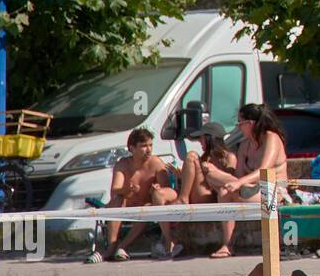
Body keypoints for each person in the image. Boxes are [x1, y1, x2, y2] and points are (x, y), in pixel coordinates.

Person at [200, 104, 288, 258]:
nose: (238, 128)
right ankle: (227, 245)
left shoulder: (271, 138)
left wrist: (238, 183)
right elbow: (239, 175)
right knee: (222, 189)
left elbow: (264, 171)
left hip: (272, 190)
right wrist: (236, 182)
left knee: (226, 189)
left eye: (240, 124)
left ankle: (228, 244)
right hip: (249, 188)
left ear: (251, 123)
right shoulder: (245, 145)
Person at [148, 121, 238, 258]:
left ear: (210, 138)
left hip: (214, 194)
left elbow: (229, 179)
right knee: (159, 194)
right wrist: (181, 176)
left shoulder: (229, 157)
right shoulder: (205, 157)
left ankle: (183, 200)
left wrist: (213, 170)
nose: (200, 142)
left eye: (201, 138)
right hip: (200, 192)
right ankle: (168, 240)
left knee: (191, 155)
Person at [91, 128, 177, 262]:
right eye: (143, 146)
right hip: (126, 205)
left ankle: (122, 247)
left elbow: (165, 190)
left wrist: (156, 188)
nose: (148, 150)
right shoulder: (123, 164)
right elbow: (115, 190)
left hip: (147, 207)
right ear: (132, 148)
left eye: (150, 145)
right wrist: (127, 189)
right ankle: (111, 248)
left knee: (147, 207)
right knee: (117, 200)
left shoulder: (155, 163)